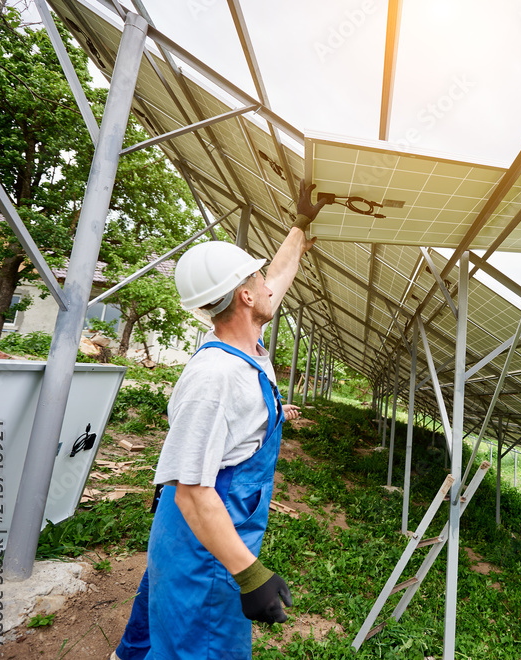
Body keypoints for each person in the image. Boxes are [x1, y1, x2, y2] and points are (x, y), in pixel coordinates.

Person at [111, 182, 327, 660]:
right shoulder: (217, 377)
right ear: (246, 297)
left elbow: (278, 278)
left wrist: (299, 227)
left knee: (155, 630)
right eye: (258, 280)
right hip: (205, 545)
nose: (270, 285)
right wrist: (250, 576)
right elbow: (191, 489)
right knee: (201, 646)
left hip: (199, 534)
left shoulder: (246, 345)